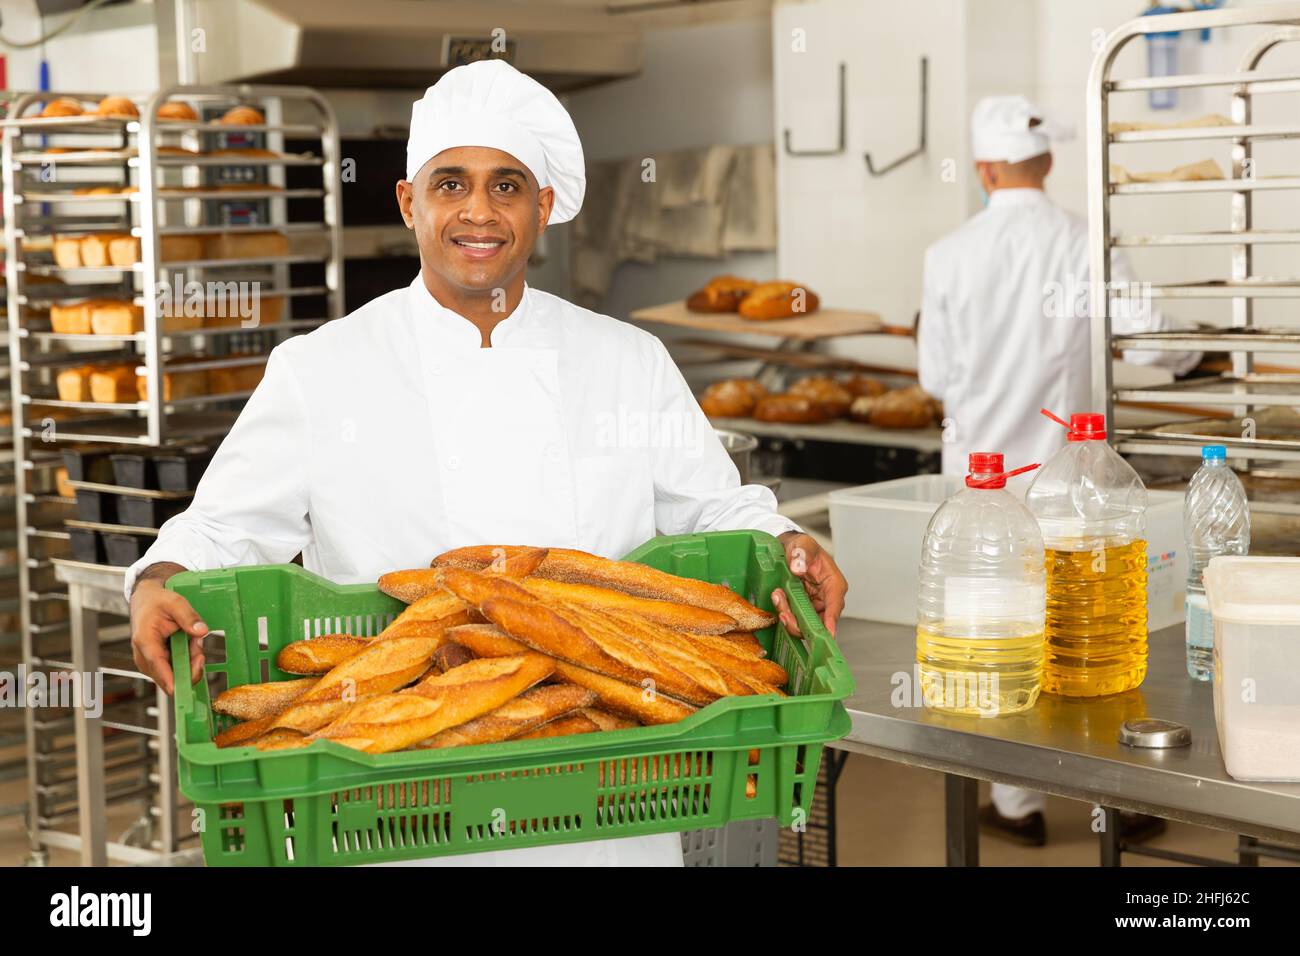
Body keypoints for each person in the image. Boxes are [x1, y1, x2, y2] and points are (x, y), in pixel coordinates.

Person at [126, 59, 848, 867]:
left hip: (609, 806)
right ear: (409, 202)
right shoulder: (323, 369)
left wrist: (788, 543)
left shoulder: (627, 361)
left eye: (507, 186)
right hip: (391, 809)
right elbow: (225, 525)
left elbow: (717, 513)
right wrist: (160, 578)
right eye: (450, 184)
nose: (479, 211)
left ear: (542, 208)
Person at [917, 95, 1197, 847]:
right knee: (1092, 632)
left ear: (984, 169)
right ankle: (1124, 792)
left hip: (983, 495)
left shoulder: (947, 255)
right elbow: (1151, 339)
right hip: (1076, 485)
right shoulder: (1084, 241)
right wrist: (1195, 354)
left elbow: (936, 378)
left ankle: (1017, 807)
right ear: (1046, 163)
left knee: (1004, 638)